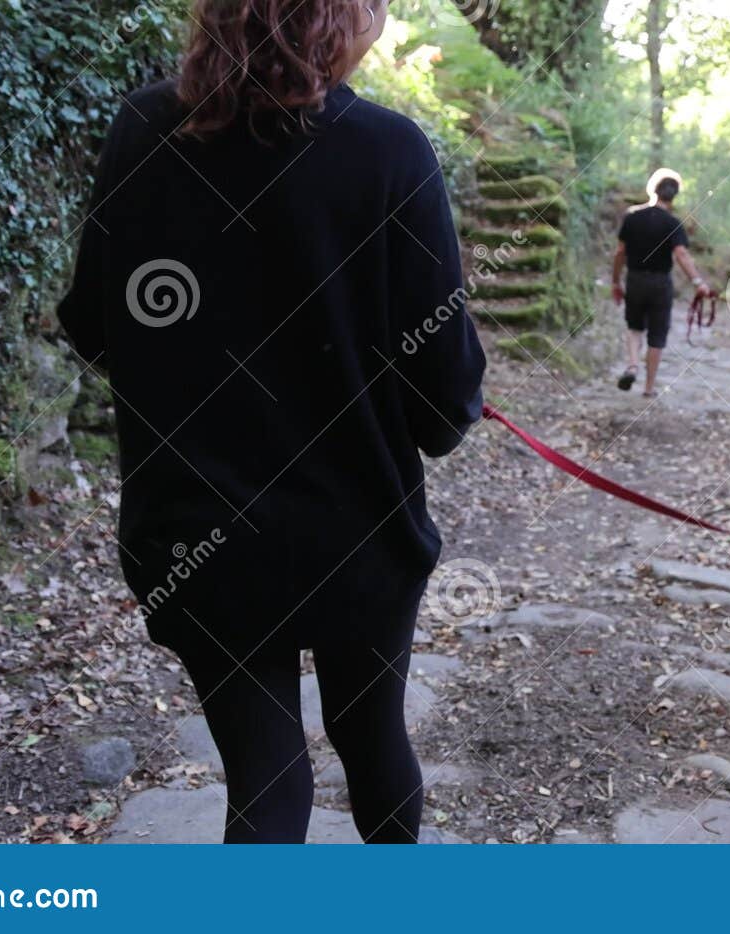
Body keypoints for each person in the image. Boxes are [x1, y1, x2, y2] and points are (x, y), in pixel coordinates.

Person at [57, 0, 486, 844]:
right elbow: (442, 403)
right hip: (355, 531)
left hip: (195, 528)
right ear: (333, 18)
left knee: (263, 775)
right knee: (373, 742)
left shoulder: (145, 128)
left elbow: (94, 323)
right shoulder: (390, 151)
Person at [611, 169, 710, 397]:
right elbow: (681, 255)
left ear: (652, 189)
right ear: (674, 195)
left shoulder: (632, 217)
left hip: (635, 279)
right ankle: (649, 388)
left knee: (634, 327)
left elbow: (619, 253)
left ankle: (633, 365)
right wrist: (698, 282)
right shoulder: (673, 223)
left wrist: (616, 281)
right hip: (660, 283)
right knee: (657, 335)